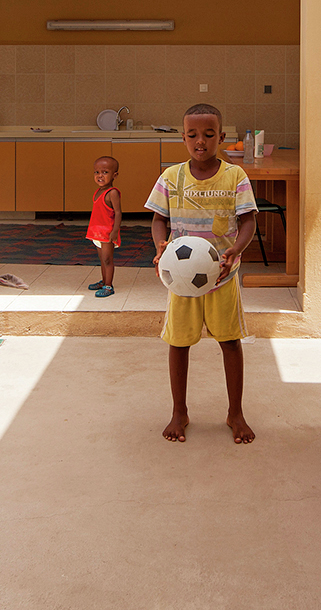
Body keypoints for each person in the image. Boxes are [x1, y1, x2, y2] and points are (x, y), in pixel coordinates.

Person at [146, 102, 259, 445]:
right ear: (183, 137)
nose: (200, 141)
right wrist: (161, 246)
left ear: (221, 137)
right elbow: (158, 219)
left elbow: (248, 221)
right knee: (178, 344)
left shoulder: (234, 177)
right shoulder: (171, 177)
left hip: (222, 278)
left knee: (229, 341)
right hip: (182, 282)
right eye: (193, 135)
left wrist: (235, 250)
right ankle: (179, 411)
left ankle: (235, 413)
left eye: (209, 135)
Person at [84, 155, 121, 297]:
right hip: (97, 233)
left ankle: (108, 286)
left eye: (105, 172)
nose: (100, 175)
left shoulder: (112, 193)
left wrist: (115, 231)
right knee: (101, 259)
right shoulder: (98, 191)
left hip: (107, 233)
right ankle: (104, 280)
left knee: (107, 259)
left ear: (114, 175)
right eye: (97, 172)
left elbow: (118, 213)